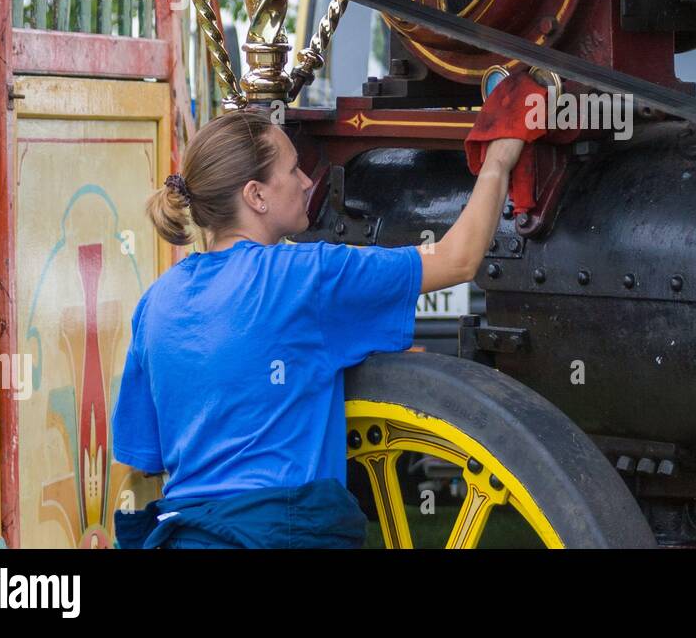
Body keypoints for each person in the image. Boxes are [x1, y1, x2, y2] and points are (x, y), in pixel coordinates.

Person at [110, 107, 524, 548]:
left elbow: (143, 461)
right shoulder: (306, 276)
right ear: (256, 196)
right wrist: (498, 159)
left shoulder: (156, 302)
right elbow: (457, 259)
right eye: (293, 170)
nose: (308, 181)